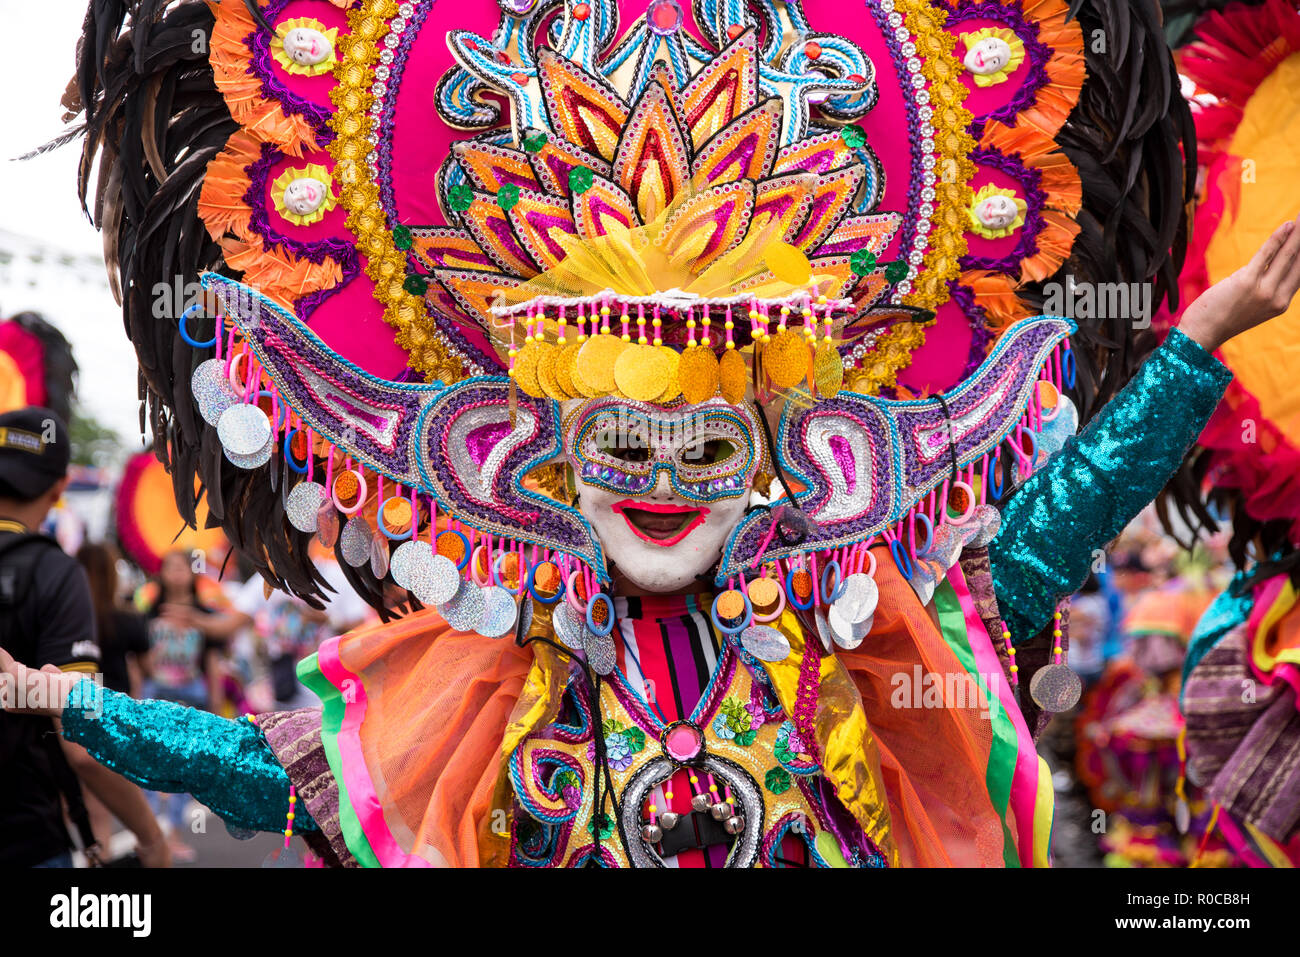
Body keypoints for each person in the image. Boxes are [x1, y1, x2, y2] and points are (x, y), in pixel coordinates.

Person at [11, 0, 1293, 868]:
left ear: (784, 459)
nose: (666, 483)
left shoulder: (869, 638)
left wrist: (1202, 338)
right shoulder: (488, 670)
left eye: (707, 450)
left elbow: (1066, 511)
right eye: (627, 447)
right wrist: (66, 699)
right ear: (551, 467)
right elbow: (267, 770)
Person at [0, 407, 168, 867]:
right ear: (58, 488)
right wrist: (152, 839)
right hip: (22, 836)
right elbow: (82, 745)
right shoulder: (54, 572)